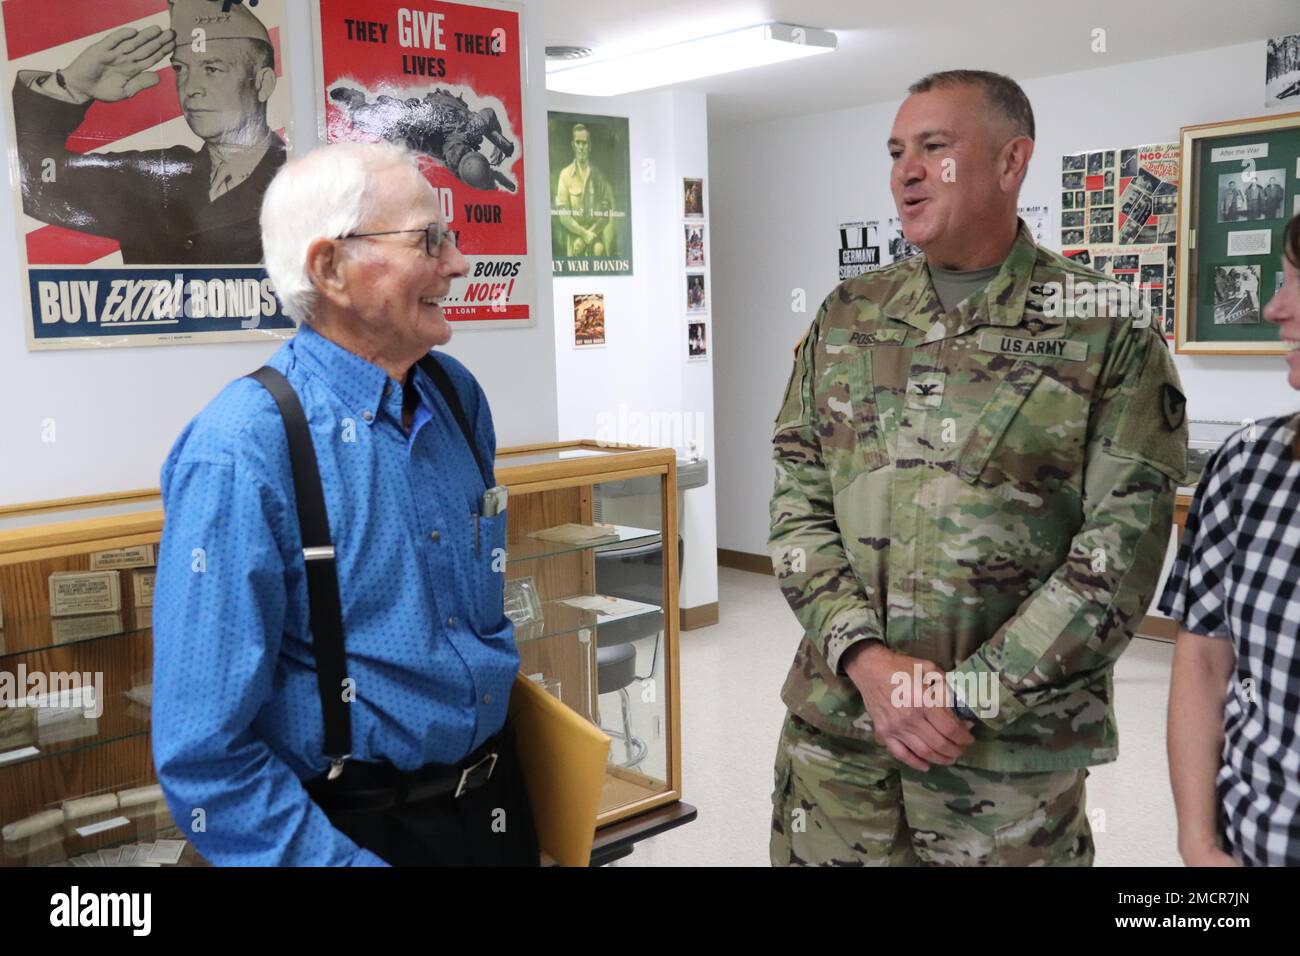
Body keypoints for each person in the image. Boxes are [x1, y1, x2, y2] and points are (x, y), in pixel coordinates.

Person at [768, 69, 1187, 866]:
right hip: (839, 749)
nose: (907, 170)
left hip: (1004, 774)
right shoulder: (848, 316)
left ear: (1010, 161)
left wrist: (963, 695)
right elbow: (797, 501)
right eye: (896, 151)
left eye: (935, 147)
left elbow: (1120, 553)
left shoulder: (1107, 329)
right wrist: (867, 661)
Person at [152, 141, 537, 866]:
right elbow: (204, 757)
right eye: (430, 239)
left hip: (492, 808)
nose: (457, 263)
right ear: (332, 268)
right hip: (346, 833)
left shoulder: (458, 398)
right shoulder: (241, 449)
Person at [1161, 213, 1300, 867]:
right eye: (1281, 280)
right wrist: (1198, 841)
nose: (1275, 307)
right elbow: (1202, 661)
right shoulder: (1248, 465)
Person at [11, 0, 285, 264]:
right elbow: (31, 182)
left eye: (212, 69)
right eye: (180, 69)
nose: (190, 88)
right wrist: (71, 86)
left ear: (263, 83)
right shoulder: (151, 176)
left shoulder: (304, 182)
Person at [554, 123, 618, 257]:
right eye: (578, 142)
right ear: (573, 145)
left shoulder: (598, 177)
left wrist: (588, 236)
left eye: (585, 143)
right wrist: (582, 234)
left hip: (595, 239)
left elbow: (605, 214)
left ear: (590, 146)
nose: (581, 147)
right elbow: (563, 216)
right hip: (574, 243)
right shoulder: (565, 175)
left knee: (599, 252)